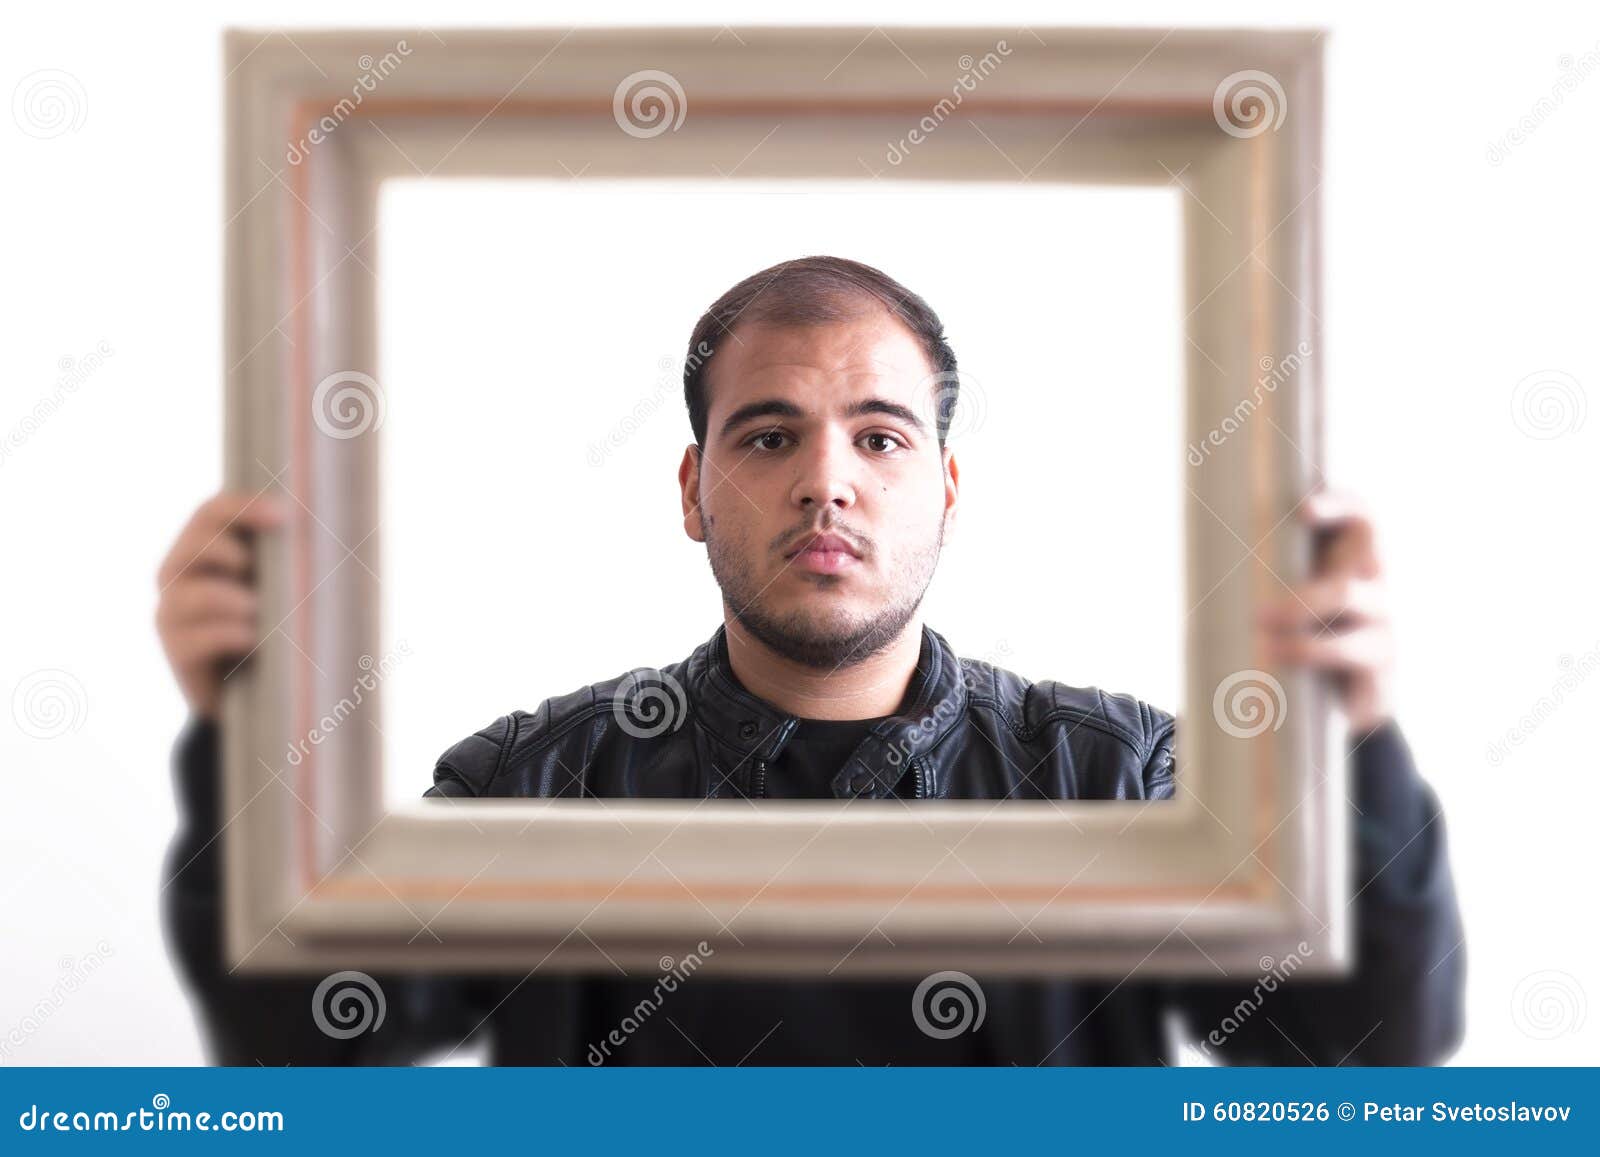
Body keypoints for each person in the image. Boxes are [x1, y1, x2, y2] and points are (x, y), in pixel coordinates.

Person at [158, 256, 1465, 1065]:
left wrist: (1354, 746)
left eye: (881, 439)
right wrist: (239, 730)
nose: (826, 484)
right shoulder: (531, 785)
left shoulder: (1122, 776)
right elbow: (305, 1041)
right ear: (692, 486)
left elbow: (1365, 1048)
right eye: (770, 437)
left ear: (948, 486)